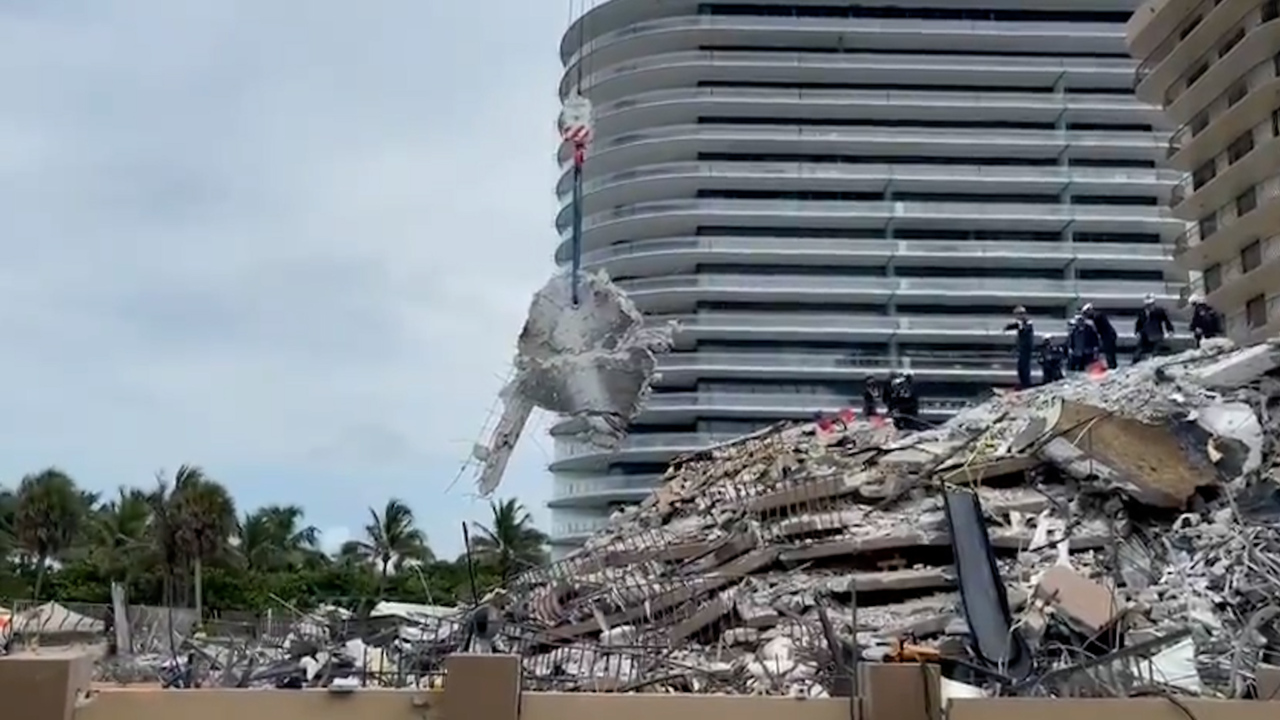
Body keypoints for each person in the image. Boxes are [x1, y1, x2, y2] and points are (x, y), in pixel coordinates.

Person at [1134, 293, 1174, 361]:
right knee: (1137, 354)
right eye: (1148, 305)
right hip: (1145, 335)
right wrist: (1137, 332)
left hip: (1156, 335)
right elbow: (1139, 323)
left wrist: (1170, 330)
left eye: (1152, 304)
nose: (1150, 307)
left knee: (1155, 353)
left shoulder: (1159, 312)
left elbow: (1166, 321)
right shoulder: (1142, 313)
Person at [1003, 306, 1035, 389]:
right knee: (1020, 366)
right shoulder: (1020, 323)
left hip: (1026, 347)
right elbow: (1014, 325)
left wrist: (1020, 326)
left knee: (1025, 366)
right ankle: (1022, 382)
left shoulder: (1028, 323)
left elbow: (1025, 329)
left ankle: (1026, 384)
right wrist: (1007, 328)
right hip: (1021, 347)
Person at [1082, 303, 1118, 369]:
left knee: (1109, 351)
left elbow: (1095, 326)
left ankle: (1112, 365)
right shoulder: (1097, 315)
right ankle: (1112, 364)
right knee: (1108, 351)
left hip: (1109, 335)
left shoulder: (1098, 316)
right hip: (1107, 335)